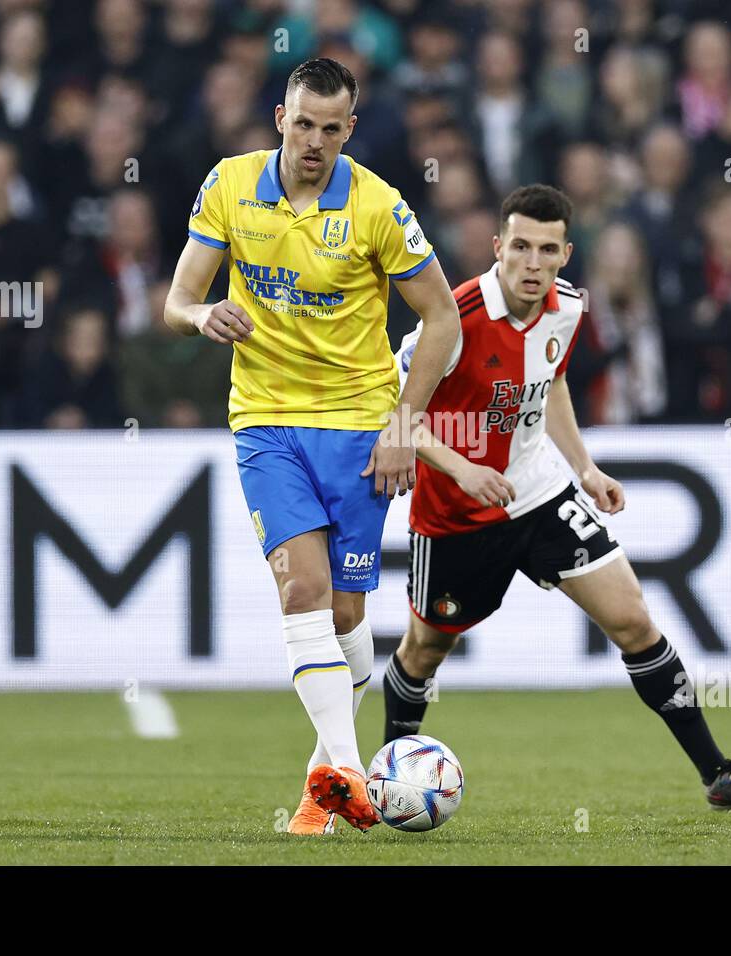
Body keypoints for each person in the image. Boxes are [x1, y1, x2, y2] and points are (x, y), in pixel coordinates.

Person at [382, 185, 731, 812]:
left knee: (632, 619)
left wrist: (584, 467)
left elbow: (553, 379)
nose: (533, 263)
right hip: (455, 513)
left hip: (539, 491)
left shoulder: (568, 308)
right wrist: (464, 471)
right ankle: (391, 774)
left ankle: (719, 774)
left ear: (566, 254)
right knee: (425, 649)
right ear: (498, 248)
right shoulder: (453, 318)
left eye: (547, 250)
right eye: (520, 247)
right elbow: (398, 418)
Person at [162, 59, 460, 834]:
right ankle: (353, 773)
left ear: (349, 130)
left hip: (360, 428)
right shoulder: (228, 186)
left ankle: (320, 778)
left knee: (348, 619)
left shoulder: (378, 207)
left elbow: (443, 320)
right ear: (279, 118)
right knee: (302, 593)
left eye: (332, 129)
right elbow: (177, 299)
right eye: (303, 124)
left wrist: (403, 423)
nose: (315, 142)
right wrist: (201, 319)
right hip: (265, 421)